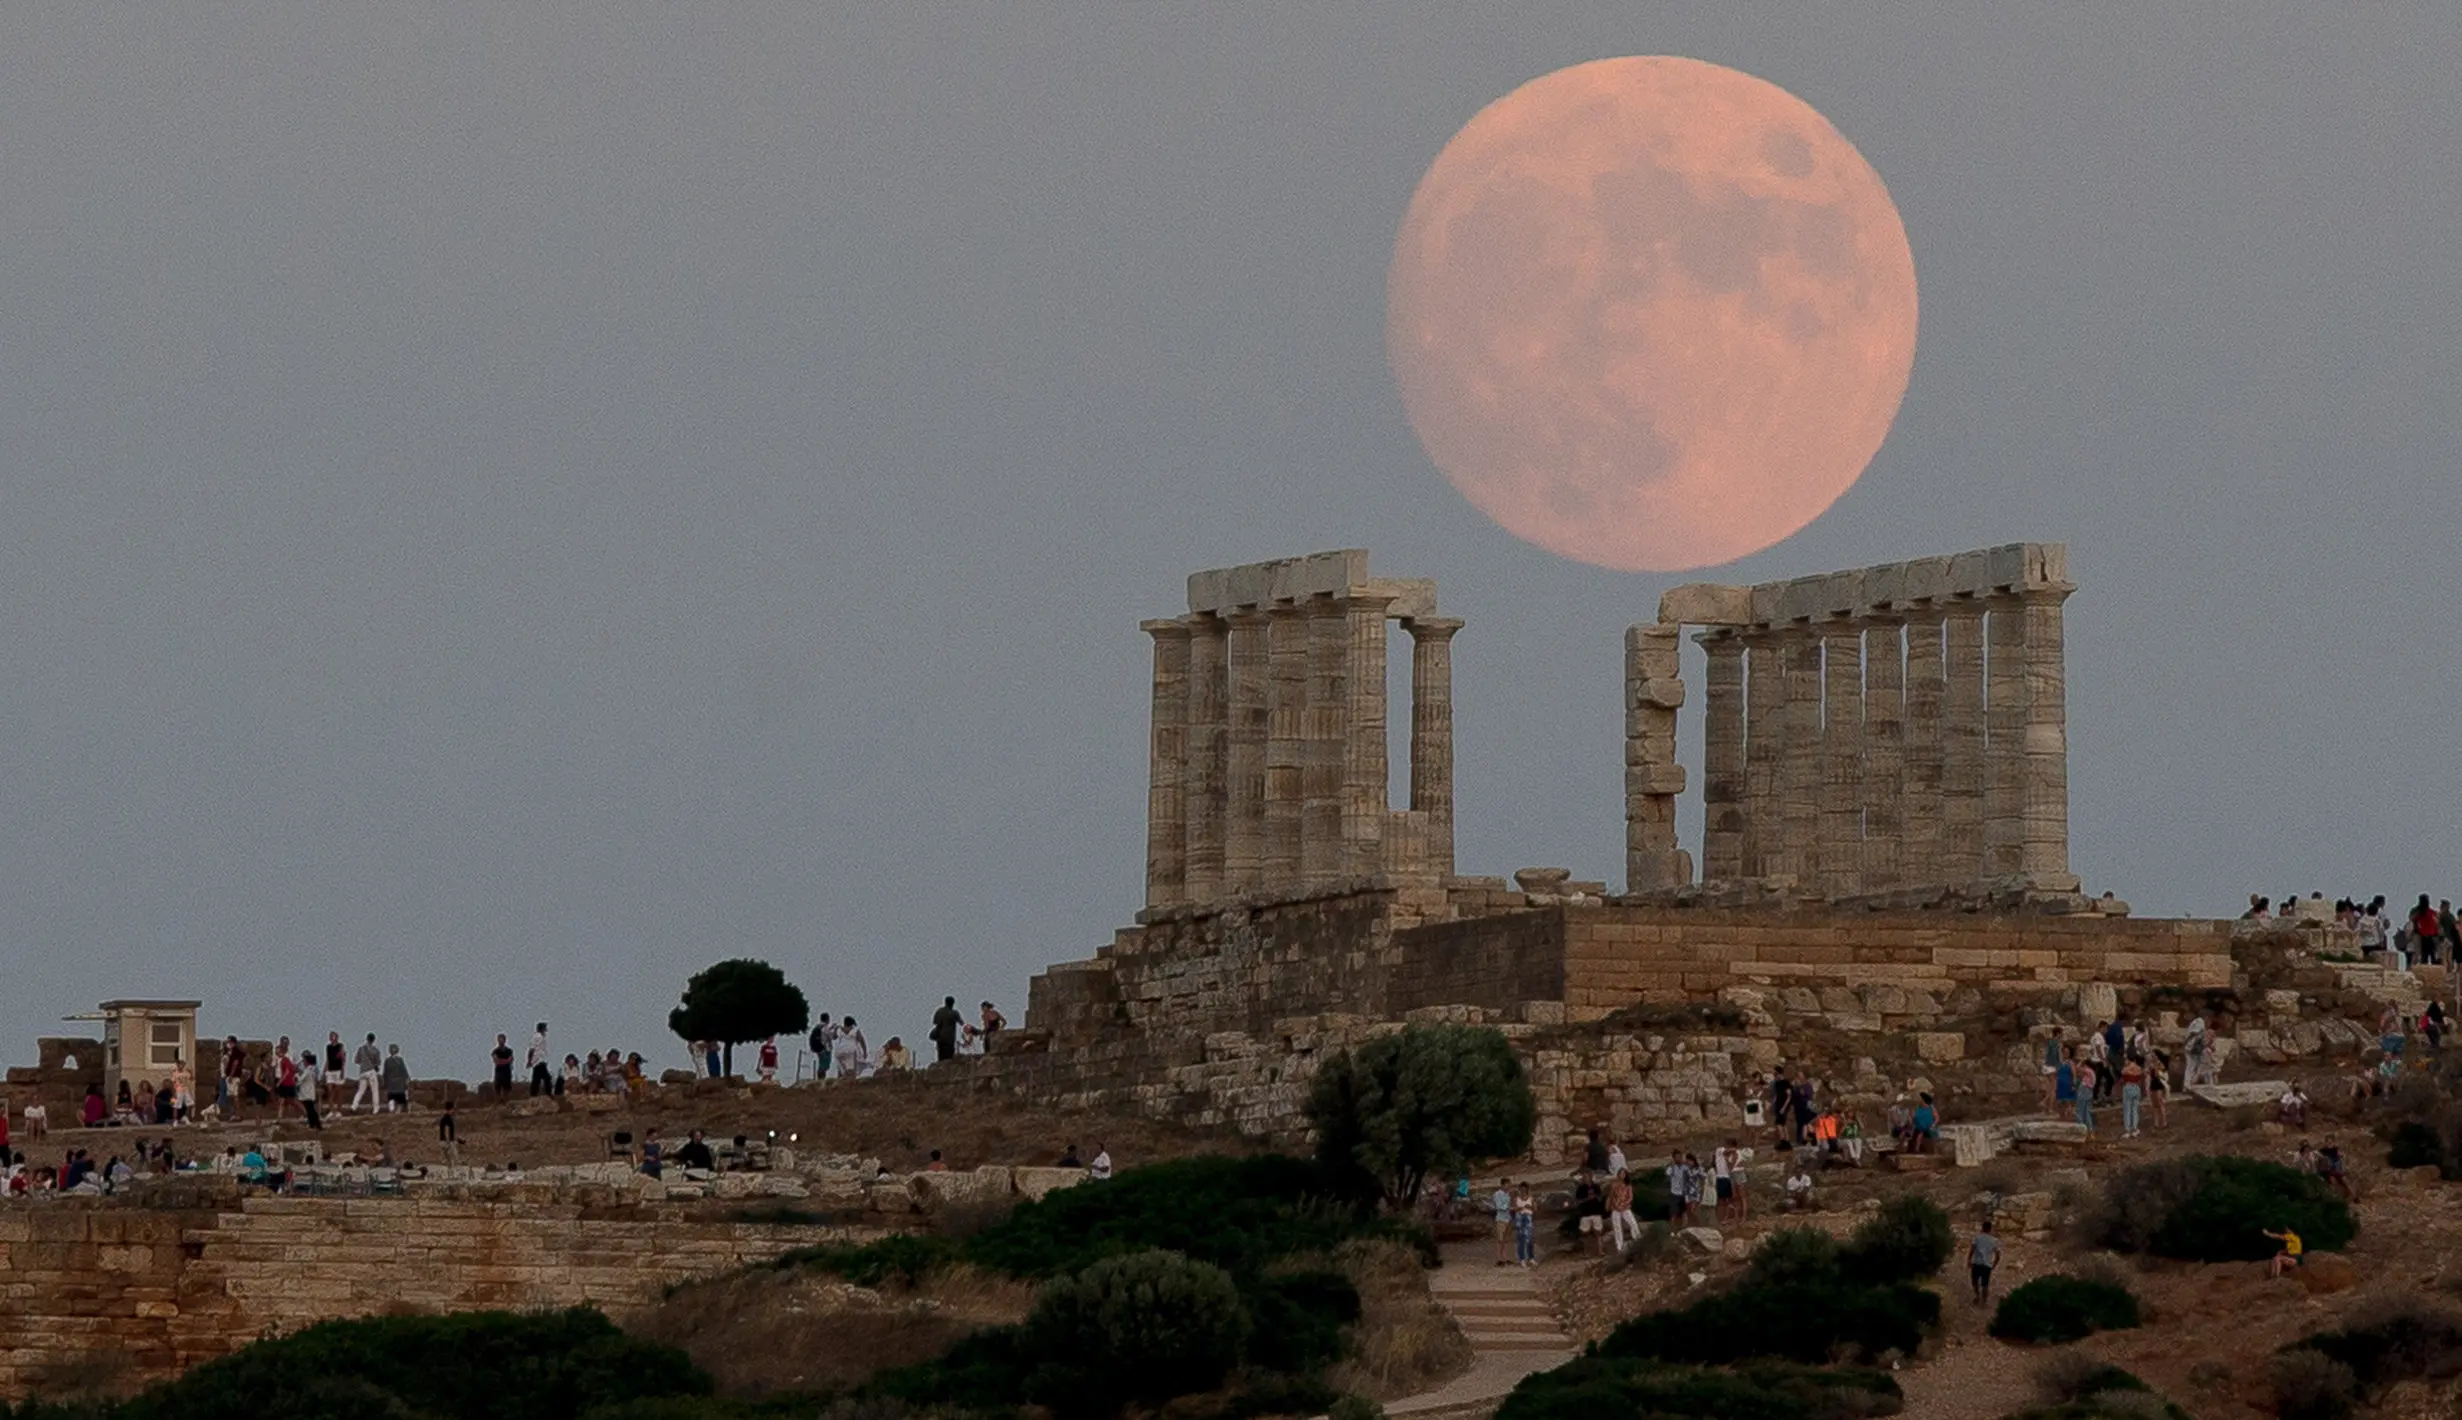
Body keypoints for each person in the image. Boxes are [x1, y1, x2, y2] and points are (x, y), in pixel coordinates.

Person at [1572, 1171, 1606, 1254]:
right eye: (1584, 1177)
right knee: (1585, 1233)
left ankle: (1600, 1251)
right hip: (1585, 1212)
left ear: (1590, 1177)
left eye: (1587, 1176)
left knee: (1599, 1232)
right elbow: (1577, 1201)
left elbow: (1600, 1198)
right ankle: (1586, 1251)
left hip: (1596, 1211)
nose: (1585, 1178)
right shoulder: (1580, 1188)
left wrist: (1596, 1197)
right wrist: (1588, 1198)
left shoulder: (1596, 1187)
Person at [1606, 1169, 1640, 1253]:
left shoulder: (1628, 1185)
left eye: (1623, 1174)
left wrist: (1623, 1204)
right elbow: (1611, 1196)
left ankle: (1637, 1241)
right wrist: (1615, 1205)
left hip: (1625, 1207)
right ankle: (1619, 1247)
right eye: (1620, 1174)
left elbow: (1630, 1197)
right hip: (1615, 1208)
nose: (1622, 1175)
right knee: (1617, 1228)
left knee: (1633, 1224)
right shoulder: (1614, 1185)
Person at [1968, 1221, 2001, 1304]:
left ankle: (1977, 1296)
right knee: (1985, 1285)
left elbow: (1972, 1249)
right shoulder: (1994, 1240)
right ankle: (1984, 1301)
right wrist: (1994, 1265)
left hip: (1976, 1263)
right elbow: (1998, 1255)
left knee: (1974, 1282)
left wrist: (1969, 1260)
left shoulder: (1977, 1238)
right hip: (1987, 1265)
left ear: (1982, 1228)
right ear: (1990, 1229)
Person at [1714, 1138, 1744, 1224]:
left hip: (1727, 1177)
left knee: (1729, 1199)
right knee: (1721, 1200)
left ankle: (1728, 1217)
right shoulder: (1720, 1150)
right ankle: (1723, 1217)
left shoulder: (1730, 1155)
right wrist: (1735, 1150)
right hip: (1720, 1177)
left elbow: (1731, 1164)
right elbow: (1729, 1151)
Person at [352, 1034, 382, 1113]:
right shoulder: (375, 1050)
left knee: (361, 1090)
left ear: (367, 1039)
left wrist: (364, 1063)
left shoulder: (361, 1049)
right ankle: (376, 1109)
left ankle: (354, 1106)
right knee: (374, 1090)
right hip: (371, 1071)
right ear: (374, 1040)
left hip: (362, 1071)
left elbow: (356, 1061)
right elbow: (378, 1063)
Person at [1511, 1180, 1537, 1268]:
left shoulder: (1531, 1198)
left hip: (1528, 1219)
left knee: (1529, 1240)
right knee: (1521, 1240)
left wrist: (1529, 1207)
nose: (1523, 1191)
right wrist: (1519, 1208)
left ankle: (1531, 1258)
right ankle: (1522, 1259)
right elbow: (1513, 1208)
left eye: (1524, 1189)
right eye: (1521, 1189)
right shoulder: (1516, 1198)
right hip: (1519, 1218)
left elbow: (1535, 1209)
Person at [2120, 1054, 2147, 1138]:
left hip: (2128, 1087)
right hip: (2136, 1087)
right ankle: (2135, 1129)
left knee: (2127, 1109)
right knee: (2135, 1109)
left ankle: (2127, 1130)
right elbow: (2141, 1078)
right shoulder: (2139, 1068)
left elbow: (2122, 1078)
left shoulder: (2125, 1069)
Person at [930, 997, 964, 1063]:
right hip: (950, 1039)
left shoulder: (939, 1011)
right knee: (949, 1059)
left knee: (941, 1057)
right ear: (953, 1003)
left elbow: (934, 1022)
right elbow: (961, 1023)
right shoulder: (954, 1013)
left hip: (940, 1038)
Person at [1665, 1149, 1692, 1225]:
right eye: (1676, 1157)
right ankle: (1672, 1230)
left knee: (1684, 1212)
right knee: (1673, 1213)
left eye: (1679, 1157)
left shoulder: (1685, 1167)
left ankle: (1684, 1227)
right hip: (1674, 1193)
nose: (1678, 1158)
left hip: (1683, 1193)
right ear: (1674, 1158)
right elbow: (1667, 1175)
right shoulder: (1672, 1168)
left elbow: (1689, 1178)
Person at [381, 1045, 411, 1113]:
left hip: (391, 1082)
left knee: (391, 1097)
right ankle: (397, 1111)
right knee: (400, 1098)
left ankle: (392, 1109)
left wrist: (384, 1081)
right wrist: (407, 1079)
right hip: (399, 1082)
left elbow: (385, 1072)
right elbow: (404, 1071)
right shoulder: (400, 1060)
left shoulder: (387, 1061)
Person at [1492, 1179, 1514, 1266]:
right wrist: (1508, 1207)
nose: (1508, 1186)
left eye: (1509, 1185)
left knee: (1505, 1239)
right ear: (1502, 1185)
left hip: (1507, 1218)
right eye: (1507, 1185)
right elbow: (1499, 1206)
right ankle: (1499, 1258)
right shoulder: (1497, 1194)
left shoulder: (1507, 1194)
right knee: (1500, 1239)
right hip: (1501, 1219)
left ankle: (1505, 1257)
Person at [527, 1023, 552, 1097]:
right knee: (546, 1077)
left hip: (540, 1060)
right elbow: (531, 1049)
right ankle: (548, 1093)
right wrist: (529, 1060)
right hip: (538, 1060)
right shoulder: (537, 1037)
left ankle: (533, 1094)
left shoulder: (541, 1037)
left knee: (536, 1078)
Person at [490, 1034, 515, 1098]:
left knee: (507, 1088)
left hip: (507, 1071)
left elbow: (511, 1060)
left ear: (505, 1040)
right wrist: (506, 1061)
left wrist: (502, 1061)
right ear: (497, 1040)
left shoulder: (509, 1051)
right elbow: (496, 1062)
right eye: (499, 1039)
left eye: (502, 1039)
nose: (501, 1041)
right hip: (499, 1071)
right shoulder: (495, 1051)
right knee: (497, 1087)